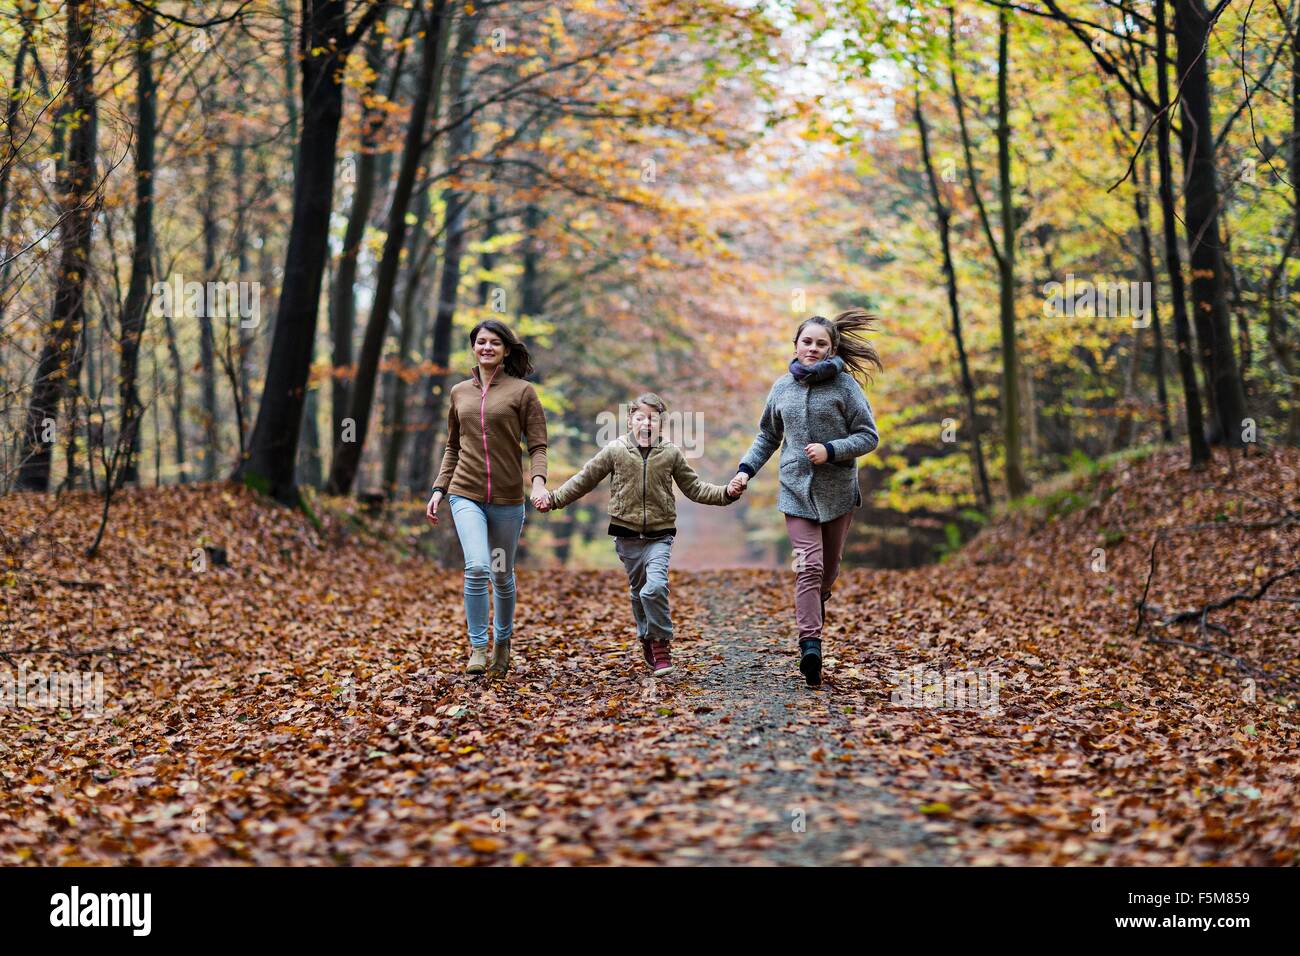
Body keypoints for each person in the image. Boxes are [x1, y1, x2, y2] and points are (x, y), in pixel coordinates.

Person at [727, 309, 881, 687]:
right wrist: (745, 470)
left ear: (832, 349)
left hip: (838, 494)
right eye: (806, 341)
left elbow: (868, 436)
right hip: (795, 493)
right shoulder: (782, 388)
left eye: (820, 344)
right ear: (796, 345)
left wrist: (831, 449)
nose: (812, 348)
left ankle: (819, 599)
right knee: (808, 567)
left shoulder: (846, 387)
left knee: (827, 572)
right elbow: (767, 436)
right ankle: (810, 645)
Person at [539, 393, 742, 676]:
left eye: (653, 419)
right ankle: (646, 635)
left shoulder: (670, 454)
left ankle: (660, 645)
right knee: (638, 592)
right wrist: (554, 499)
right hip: (626, 536)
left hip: (660, 535)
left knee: (654, 587)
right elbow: (584, 479)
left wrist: (726, 493)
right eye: (640, 417)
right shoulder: (615, 450)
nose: (646, 423)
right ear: (630, 421)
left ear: (661, 424)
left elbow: (694, 488)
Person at [426, 320, 549, 677]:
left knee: (501, 573)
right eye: (480, 342)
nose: (487, 348)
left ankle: (502, 641)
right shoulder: (459, 392)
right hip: (465, 494)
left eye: (495, 342)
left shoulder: (523, 392)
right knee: (478, 566)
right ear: (473, 347)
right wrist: (438, 489)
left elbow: (538, 445)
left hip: (509, 499)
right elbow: (453, 446)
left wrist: (538, 484)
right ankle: (478, 647)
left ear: (506, 349)